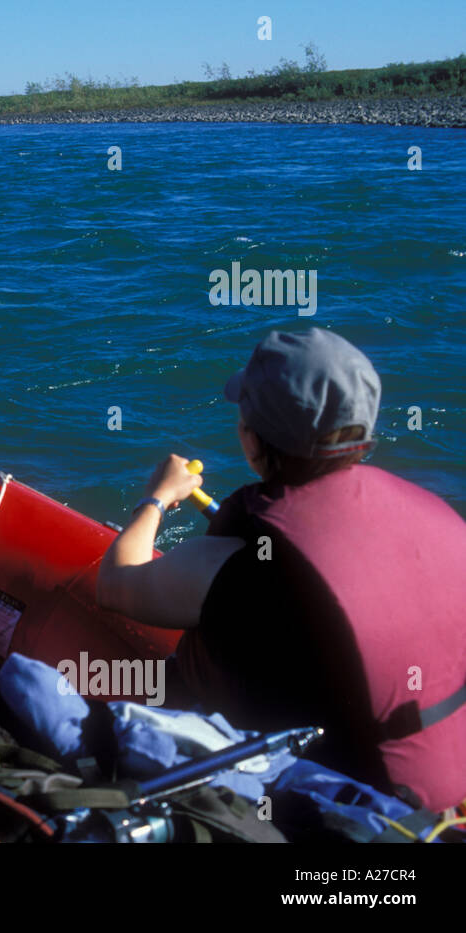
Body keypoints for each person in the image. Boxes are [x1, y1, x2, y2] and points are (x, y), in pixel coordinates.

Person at [95, 328, 466, 813]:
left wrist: (158, 496)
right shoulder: (439, 516)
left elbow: (116, 582)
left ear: (253, 439)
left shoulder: (235, 564)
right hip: (445, 779)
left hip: (358, 799)